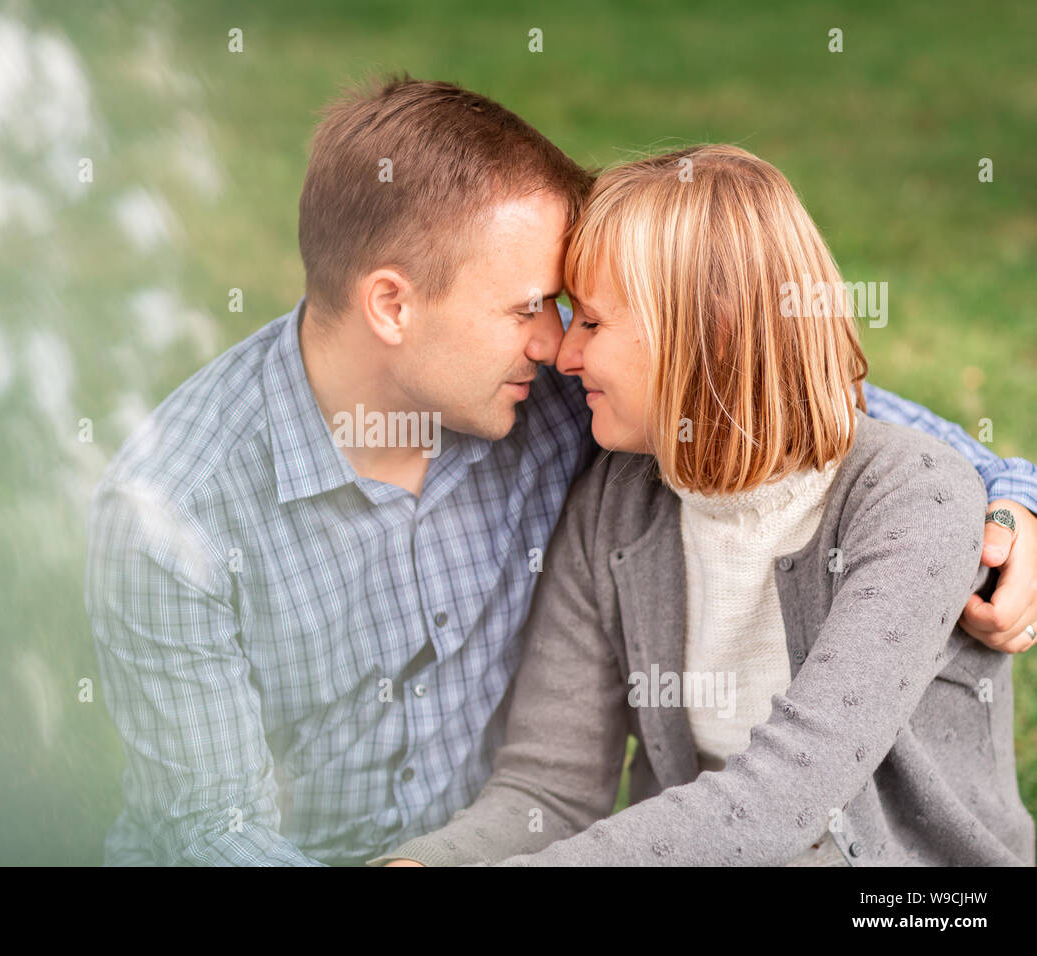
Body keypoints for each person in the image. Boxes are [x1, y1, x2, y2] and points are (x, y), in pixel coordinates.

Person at [84, 77, 1037, 866]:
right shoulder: (170, 518)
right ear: (390, 305)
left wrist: (1010, 493)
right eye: (533, 308)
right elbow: (216, 834)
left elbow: (800, 409)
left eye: (579, 315)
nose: (556, 347)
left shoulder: (563, 405)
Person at [370, 145, 1035, 866]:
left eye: (591, 322)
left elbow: (785, 799)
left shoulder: (908, 501)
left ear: (705, 334)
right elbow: (547, 793)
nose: (564, 355)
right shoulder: (616, 505)